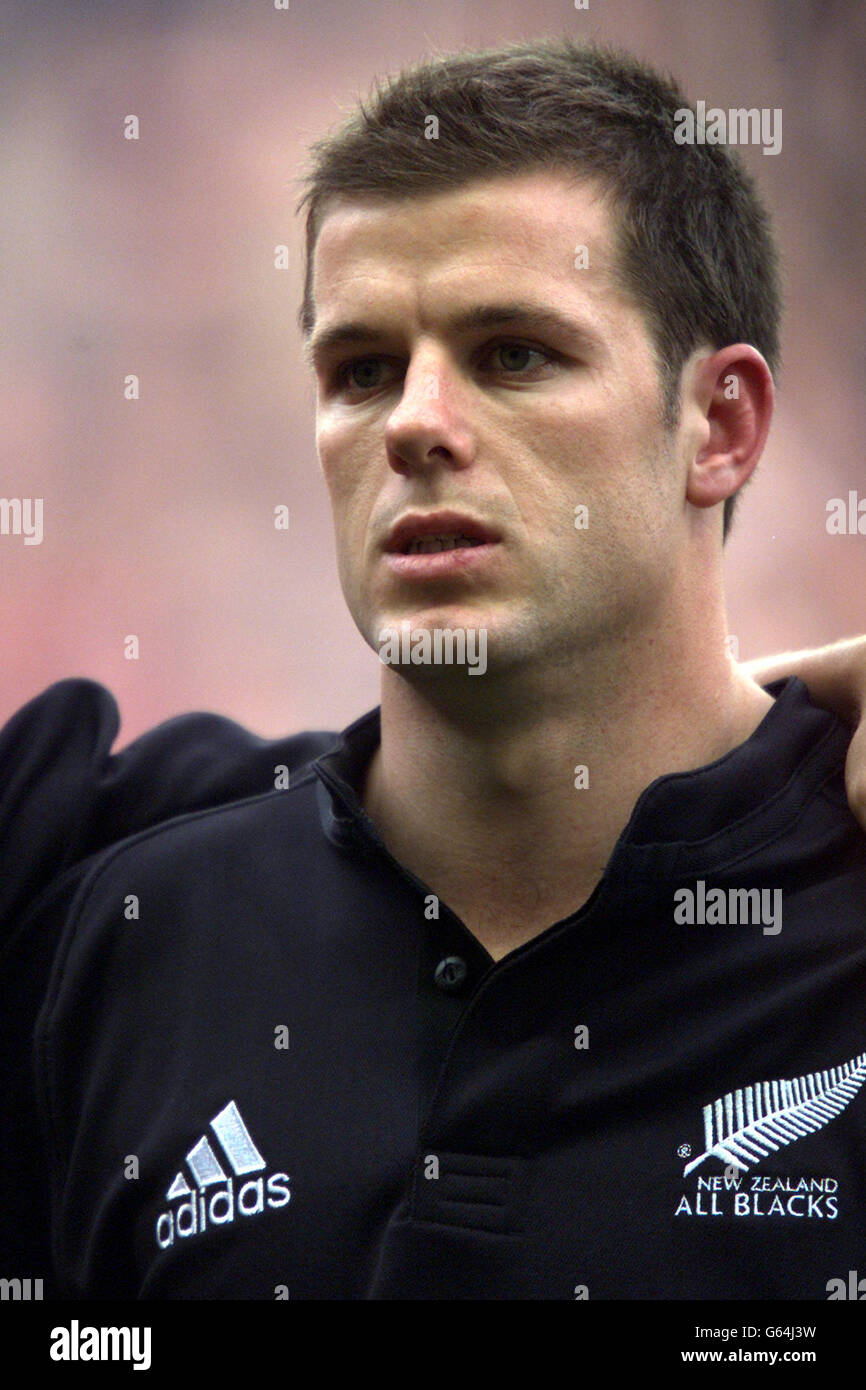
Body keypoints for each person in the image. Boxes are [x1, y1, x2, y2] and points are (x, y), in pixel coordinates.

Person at [2, 37, 866, 1300]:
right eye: (360, 371)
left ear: (718, 426)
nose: (412, 420)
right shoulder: (118, 925)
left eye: (513, 352)